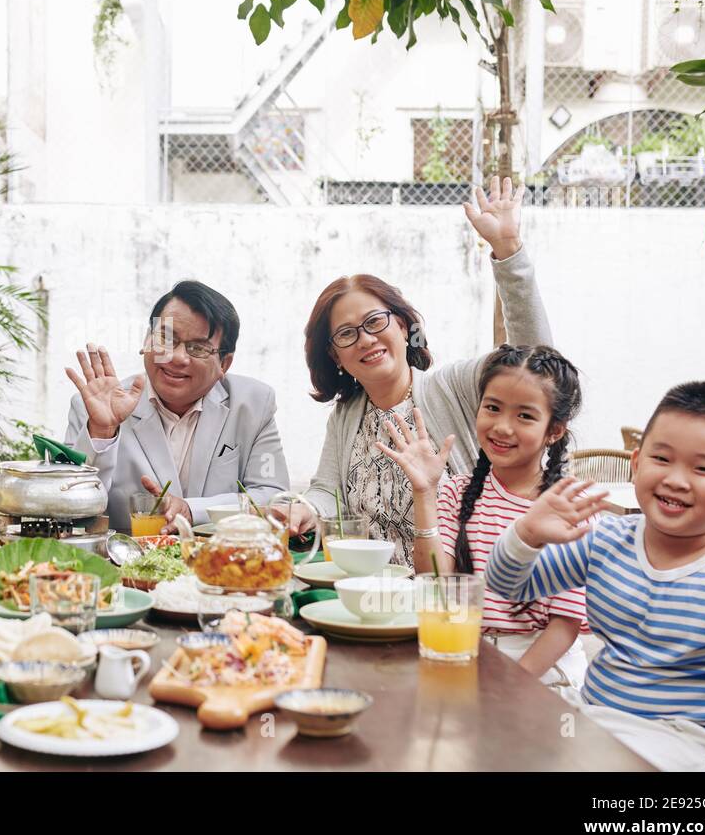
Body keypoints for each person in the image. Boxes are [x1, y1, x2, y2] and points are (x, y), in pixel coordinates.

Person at [486, 382, 705, 771]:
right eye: (662, 458)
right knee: (486, 742)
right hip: (594, 718)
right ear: (636, 465)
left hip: (685, 741)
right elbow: (509, 586)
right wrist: (527, 534)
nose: (676, 479)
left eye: (703, 468)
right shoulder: (605, 538)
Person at [278, 178, 552, 568]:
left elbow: (536, 362)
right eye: (347, 334)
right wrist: (302, 508)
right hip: (367, 588)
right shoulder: (346, 416)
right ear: (335, 356)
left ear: (404, 327)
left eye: (375, 322)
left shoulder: (455, 387)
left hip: (458, 588)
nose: (365, 339)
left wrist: (508, 254)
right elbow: (326, 491)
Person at [377, 345, 590, 688]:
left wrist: (507, 685)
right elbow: (437, 584)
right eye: (492, 408)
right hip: (463, 649)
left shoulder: (566, 506)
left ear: (554, 430)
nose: (502, 427)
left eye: (525, 416)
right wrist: (425, 493)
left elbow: (565, 625)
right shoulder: (458, 491)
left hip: (541, 671)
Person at [63, 280, 289, 532]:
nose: (177, 357)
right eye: (166, 339)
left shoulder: (253, 404)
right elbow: (68, 506)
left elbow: (273, 497)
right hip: (128, 554)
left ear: (224, 364)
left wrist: (192, 510)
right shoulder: (94, 407)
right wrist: (102, 432)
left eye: (198, 348)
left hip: (220, 554)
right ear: (147, 340)